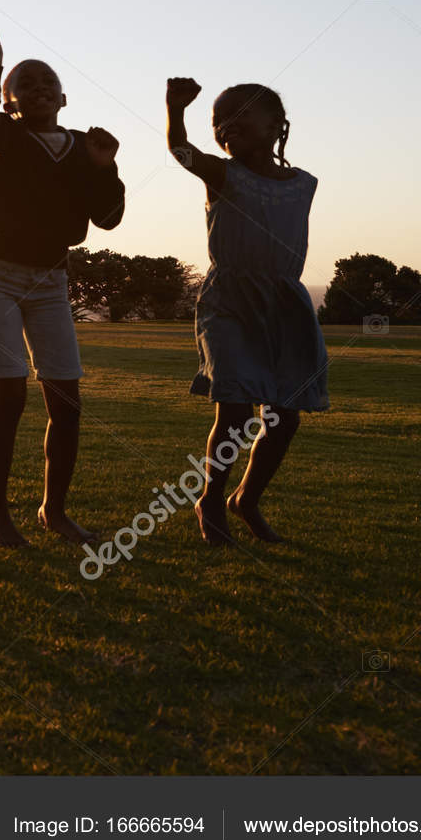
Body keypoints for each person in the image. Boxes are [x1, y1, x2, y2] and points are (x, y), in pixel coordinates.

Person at [0, 35, 123, 548]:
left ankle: (53, 511)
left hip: (52, 281)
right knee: (10, 392)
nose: (38, 88)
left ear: (63, 98)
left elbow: (107, 218)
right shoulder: (2, 136)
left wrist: (107, 168)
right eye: (24, 84)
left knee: (67, 401)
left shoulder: (82, 147)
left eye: (48, 83)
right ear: (10, 102)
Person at [166, 77, 327, 544]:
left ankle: (246, 500)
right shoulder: (223, 175)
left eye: (241, 115)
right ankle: (211, 498)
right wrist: (176, 111)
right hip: (230, 303)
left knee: (284, 417)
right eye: (219, 121)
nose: (227, 125)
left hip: (283, 307)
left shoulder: (303, 185)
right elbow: (181, 151)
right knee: (234, 410)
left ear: (278, 125)